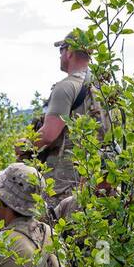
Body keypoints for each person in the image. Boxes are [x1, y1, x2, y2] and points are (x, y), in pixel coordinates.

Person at [33, 29, 107, 203]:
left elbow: (49, 134)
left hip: (65, 183)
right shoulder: (103, 89)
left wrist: (25, 145)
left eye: (61, 50)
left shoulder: (66, 87)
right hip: (98, 181)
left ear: (70, 52)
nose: (60, 56)